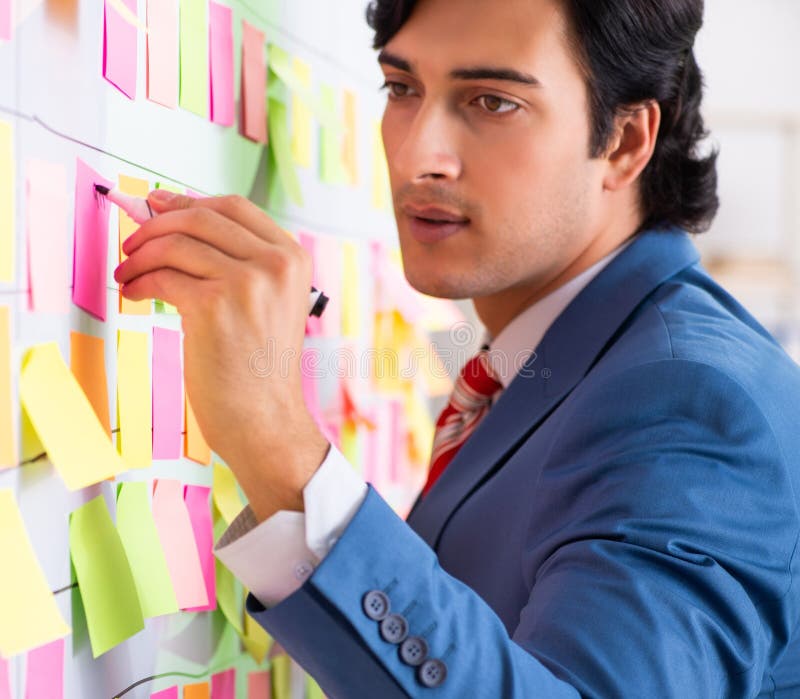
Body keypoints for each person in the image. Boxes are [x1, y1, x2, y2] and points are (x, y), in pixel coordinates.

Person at [114, 0, 800, 696]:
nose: (417, 156)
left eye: (493, 102)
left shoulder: (691, 403)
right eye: (402, 88)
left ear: (624, 140)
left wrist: (276, 443)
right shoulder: (553, 355)